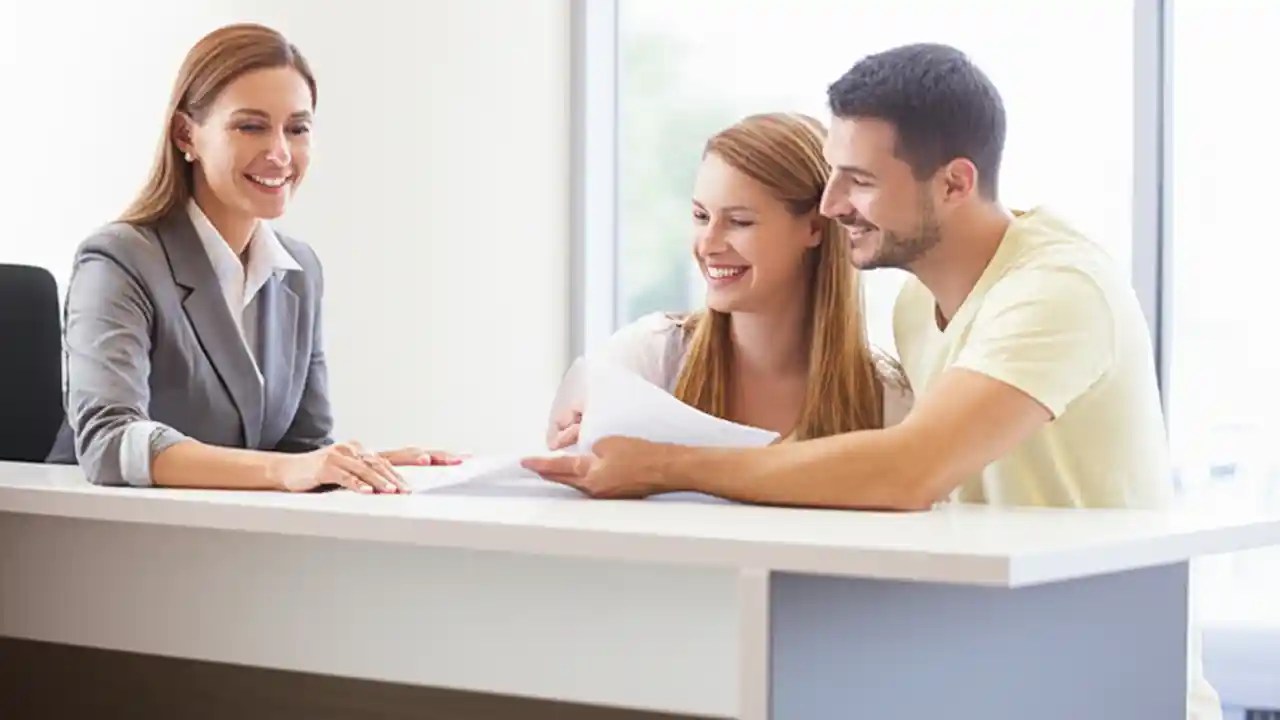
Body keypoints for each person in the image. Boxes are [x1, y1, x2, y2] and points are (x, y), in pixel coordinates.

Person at [524, 43, 1221, 719]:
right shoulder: (920, 307)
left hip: (1115, 682)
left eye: (858, 179)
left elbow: (909, 470)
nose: (830, 204)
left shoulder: (1058, 289)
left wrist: (663, 465)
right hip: (1003, 669)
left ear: (953, 183)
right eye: (831, 174)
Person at [46, 23, 456, 492]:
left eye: (297, 128)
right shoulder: (121, 260)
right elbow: (110, 443)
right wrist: (286, 470)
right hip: (96, 538)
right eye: (251, 126)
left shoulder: (298, 273)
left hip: (234, 541)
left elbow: (302, 450)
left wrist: (359, 466)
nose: (280, 153)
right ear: (186, 135)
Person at [545, 113, 910, 451]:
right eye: (701, 216)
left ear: (815, 227)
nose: (708, 244)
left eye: (739, 222)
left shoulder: (885, 399)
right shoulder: (651, 358)